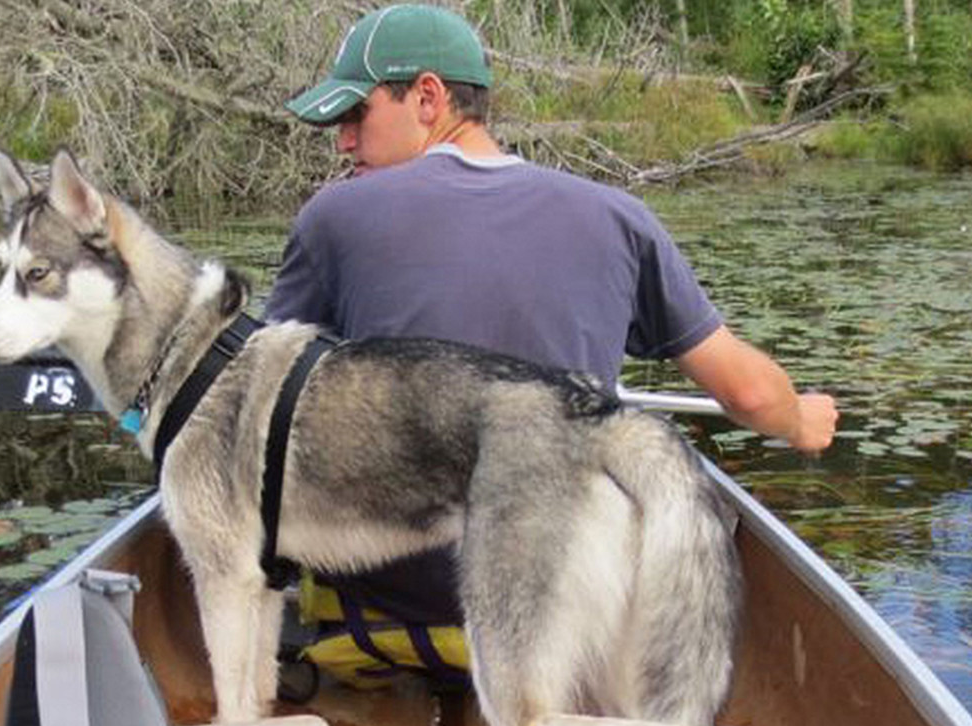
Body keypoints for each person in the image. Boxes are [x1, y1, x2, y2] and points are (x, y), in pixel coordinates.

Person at [266, 4, 838, 644]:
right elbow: (750, 395)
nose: (343, 141)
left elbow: (259, 407)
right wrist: (800, 421)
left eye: (355, 116)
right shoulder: (620, 218)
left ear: (428, 97)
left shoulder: (333, 217)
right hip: (563, 616)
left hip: (386, 613)